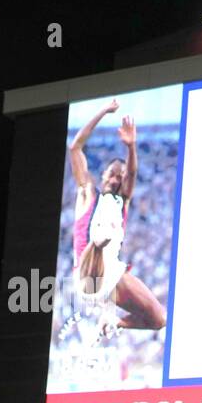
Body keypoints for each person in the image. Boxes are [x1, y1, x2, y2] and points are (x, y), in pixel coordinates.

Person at [66, 98, 167, 336]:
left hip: (110, 278)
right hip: (86, 273)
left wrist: (131, 147)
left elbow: (131, 173)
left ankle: (111, 321)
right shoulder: (87, 194)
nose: (115, 179)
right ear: (102, 175)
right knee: (99, 242)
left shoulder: (122, 202)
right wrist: (103, 111)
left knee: (159, 319)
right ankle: (97, 246)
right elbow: (75, 148)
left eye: (119, 178)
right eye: (112, 174)